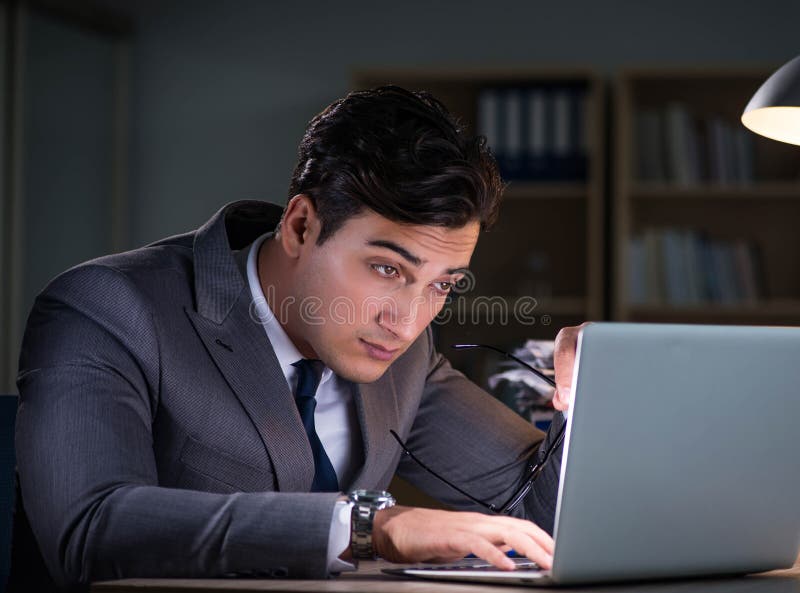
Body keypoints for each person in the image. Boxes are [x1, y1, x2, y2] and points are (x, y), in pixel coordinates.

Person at [11, 86, 584, 592]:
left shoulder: (404, 358)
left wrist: (602, 389)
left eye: (442, 285)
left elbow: (543, 518)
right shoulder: (108, 306)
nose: (408, 323)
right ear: (301, 226)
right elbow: (89, 528)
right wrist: (368, 528)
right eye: (387, 269)